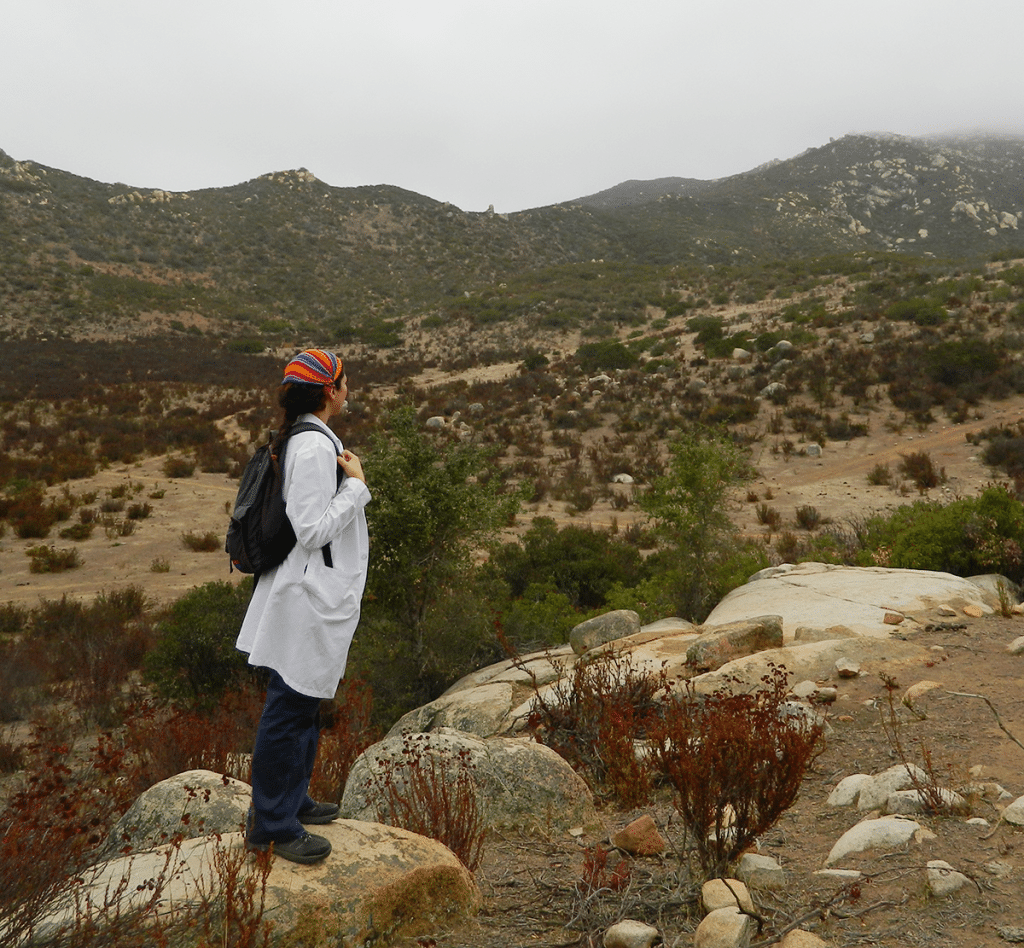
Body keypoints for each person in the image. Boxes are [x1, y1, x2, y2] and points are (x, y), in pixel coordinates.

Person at [236, 348, 370, 864]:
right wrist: (356, 487)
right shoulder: (314, 447)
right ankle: (271, 825)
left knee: (304, 701)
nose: (347, 386)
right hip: (309, 594)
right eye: (344, 379)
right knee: (291, 705)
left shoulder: (306, 437)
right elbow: (311, 528)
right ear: (331, 390)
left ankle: (292, 801)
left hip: (311, 589)